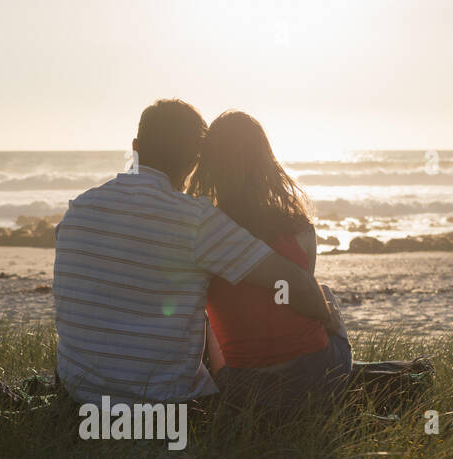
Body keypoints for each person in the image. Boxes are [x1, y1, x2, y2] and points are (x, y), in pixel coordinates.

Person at [52, 99, 337, 406]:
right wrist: (329, 321)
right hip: (164, 406)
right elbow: (298, 284)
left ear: (135, 147)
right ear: (194, 160)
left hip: (78, 398)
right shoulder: (195, 220)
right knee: (323, 301)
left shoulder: (77, 210)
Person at [189, 110, 432, 412]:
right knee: (324, 295)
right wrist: (328, 319)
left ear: (211, 166)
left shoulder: (200, 231)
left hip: (244, 389)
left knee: (210, 319)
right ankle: (405, 375)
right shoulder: (298, 227)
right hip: (315, 375)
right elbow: (298, 299)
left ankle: (393, 378)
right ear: (264, 162)